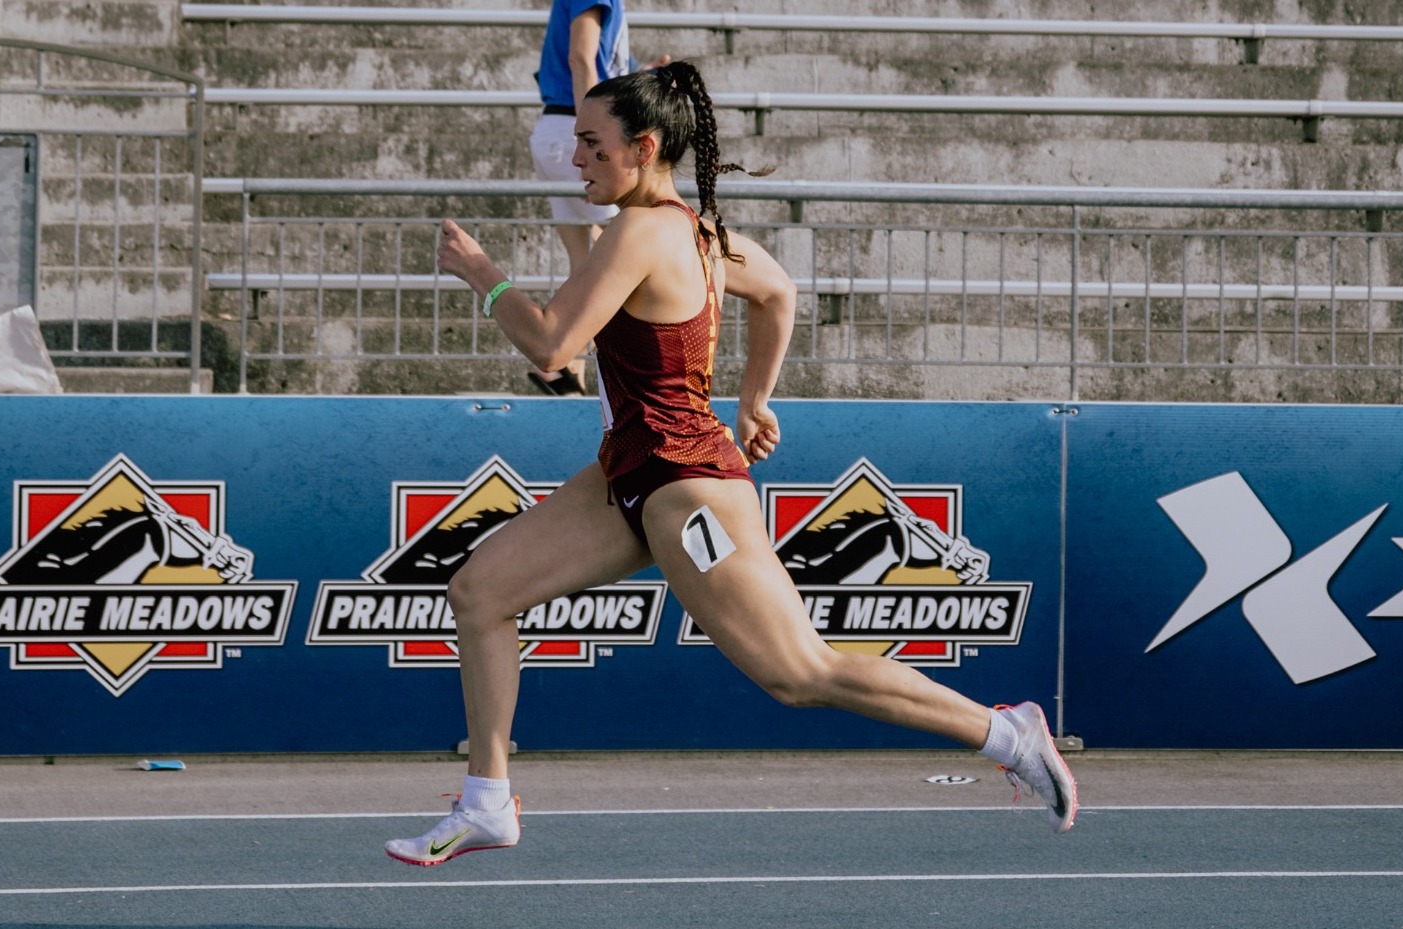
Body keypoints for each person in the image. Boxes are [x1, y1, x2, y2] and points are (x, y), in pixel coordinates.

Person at [385, 61, 1078, 868]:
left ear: (643, 148)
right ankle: (487, 801)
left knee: (799, 671)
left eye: (591, 144)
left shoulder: (643, 231)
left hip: (685, 486)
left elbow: (550, 342)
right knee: (480, 589)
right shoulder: (696, 231)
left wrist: (481, 273)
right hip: (630, 476)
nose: (576, 160)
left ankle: (1008, 732)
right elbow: (779, 290)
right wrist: (755, 401)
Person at [527, 0, 667, 396]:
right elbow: (580, 56)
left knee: (587, 260)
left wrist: (637, 80)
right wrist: (596, 136)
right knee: (619, 258)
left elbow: (591, 65)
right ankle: (575, 363)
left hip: (557, 129)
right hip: (573, 127)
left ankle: (569, 372)